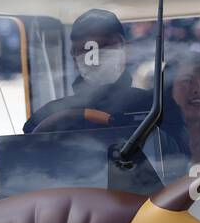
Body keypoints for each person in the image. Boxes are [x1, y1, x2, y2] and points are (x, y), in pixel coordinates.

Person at [23, 8, 151, 132]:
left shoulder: (154, 107)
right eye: (87, 49)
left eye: (105, 45)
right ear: (74, 57)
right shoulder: (48, 115)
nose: (96, 55)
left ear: (125, 50)